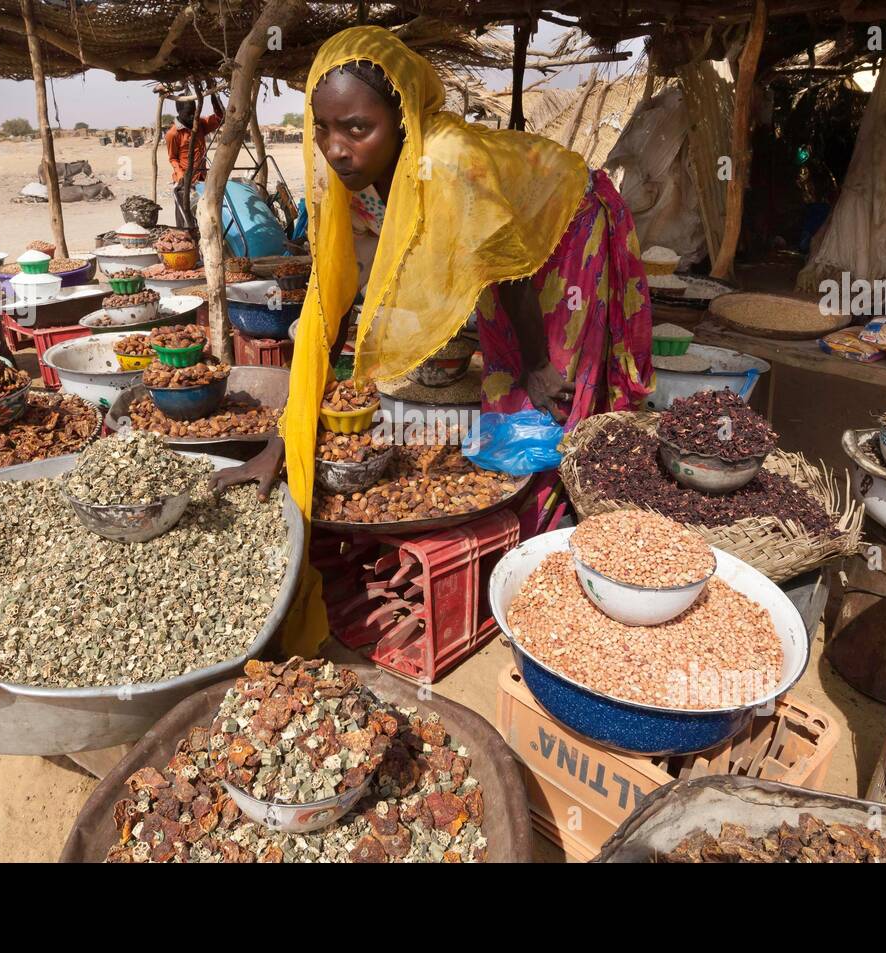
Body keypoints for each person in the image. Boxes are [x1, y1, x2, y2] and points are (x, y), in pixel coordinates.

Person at [221, 26, 656, 654]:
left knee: (553, 392)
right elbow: (330, 298)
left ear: (403, 120)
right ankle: (519, 534)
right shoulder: (346, 181)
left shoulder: (446, 160)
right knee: (507, 389)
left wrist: (536, 363)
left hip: (564, 223)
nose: (336, 149)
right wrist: (282, 437)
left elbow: (509, 269)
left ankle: (553, 553)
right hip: (503, 246)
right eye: (323, 128)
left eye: (357, 128)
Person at [166, 95, 224, 227]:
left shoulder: (200, 124)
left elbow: (220, 117)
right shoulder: (173, 134)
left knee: (204, 218)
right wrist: (180, 174)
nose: (192, 116)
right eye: (188, 114)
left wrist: (214, 96)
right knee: (185, 220)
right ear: (179, 112)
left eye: (194, 112)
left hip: (202, 179)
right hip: (185, 182)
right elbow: (173, 158)